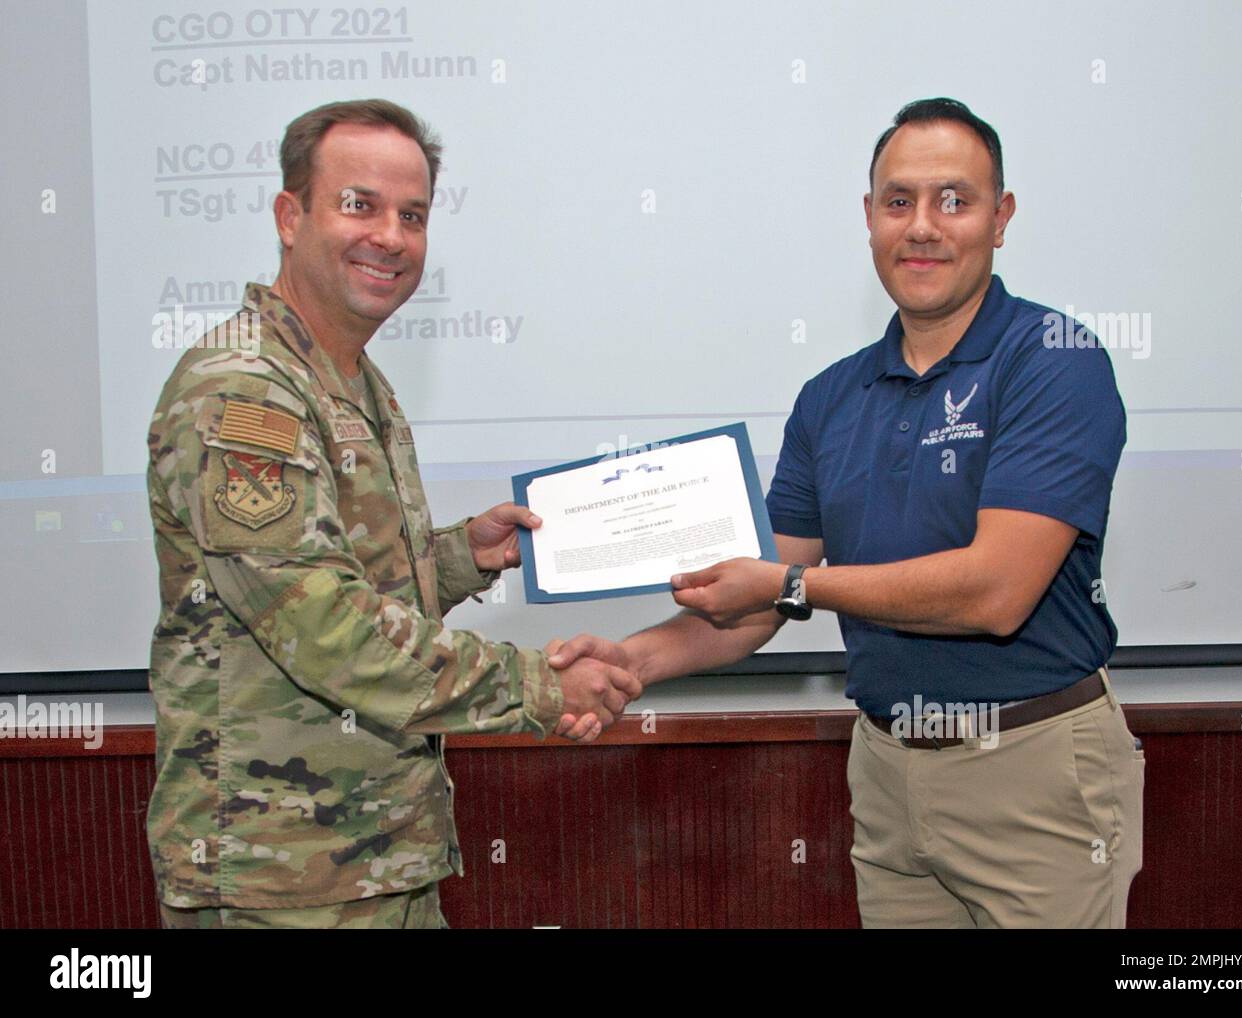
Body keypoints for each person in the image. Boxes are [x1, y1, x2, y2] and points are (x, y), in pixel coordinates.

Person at [551, 98, 1142, 928]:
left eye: (955, 200)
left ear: (1001, 218)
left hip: (1032, 770)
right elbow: (749, 600)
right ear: (868, 218)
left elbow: (994, 592)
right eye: (899, 202)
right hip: (887, 773)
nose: (923, 227)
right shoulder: (830, 397)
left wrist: (795, 584)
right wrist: (632, 662)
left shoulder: (1053, 360)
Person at [145, 98, 638, 929]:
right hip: (281, 879)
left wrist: (457, 559)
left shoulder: (353, 381)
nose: (391, 237)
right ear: (289, 216)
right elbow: (328, 631)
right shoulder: (245, 391)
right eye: (359, 205)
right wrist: (538, 686)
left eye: (412, 215)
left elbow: (338, 576)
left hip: (374, 857)